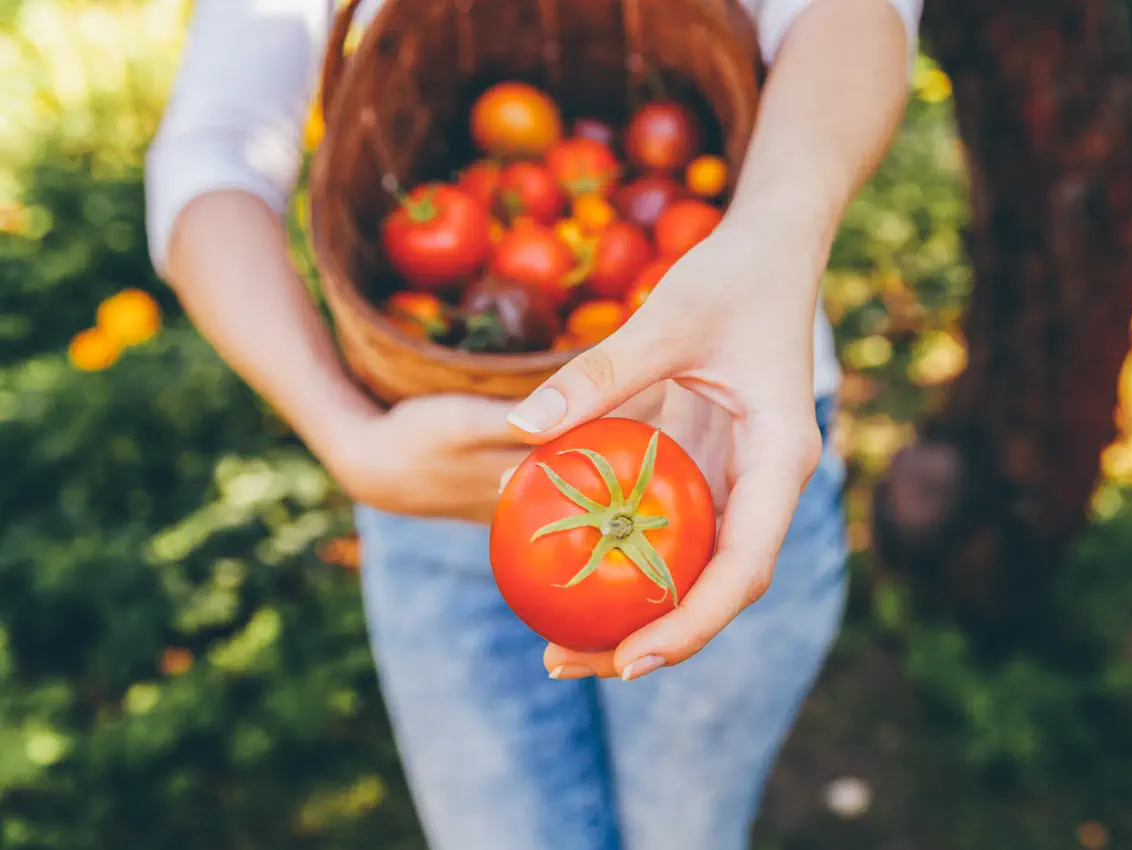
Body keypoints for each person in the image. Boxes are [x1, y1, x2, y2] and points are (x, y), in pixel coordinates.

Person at [145, 0, 921, 847]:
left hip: (726, 454)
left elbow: (850, 15)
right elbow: (211, 153)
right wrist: (348, 442)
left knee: (686, 831)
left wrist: (778, 231)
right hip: (435, 485)